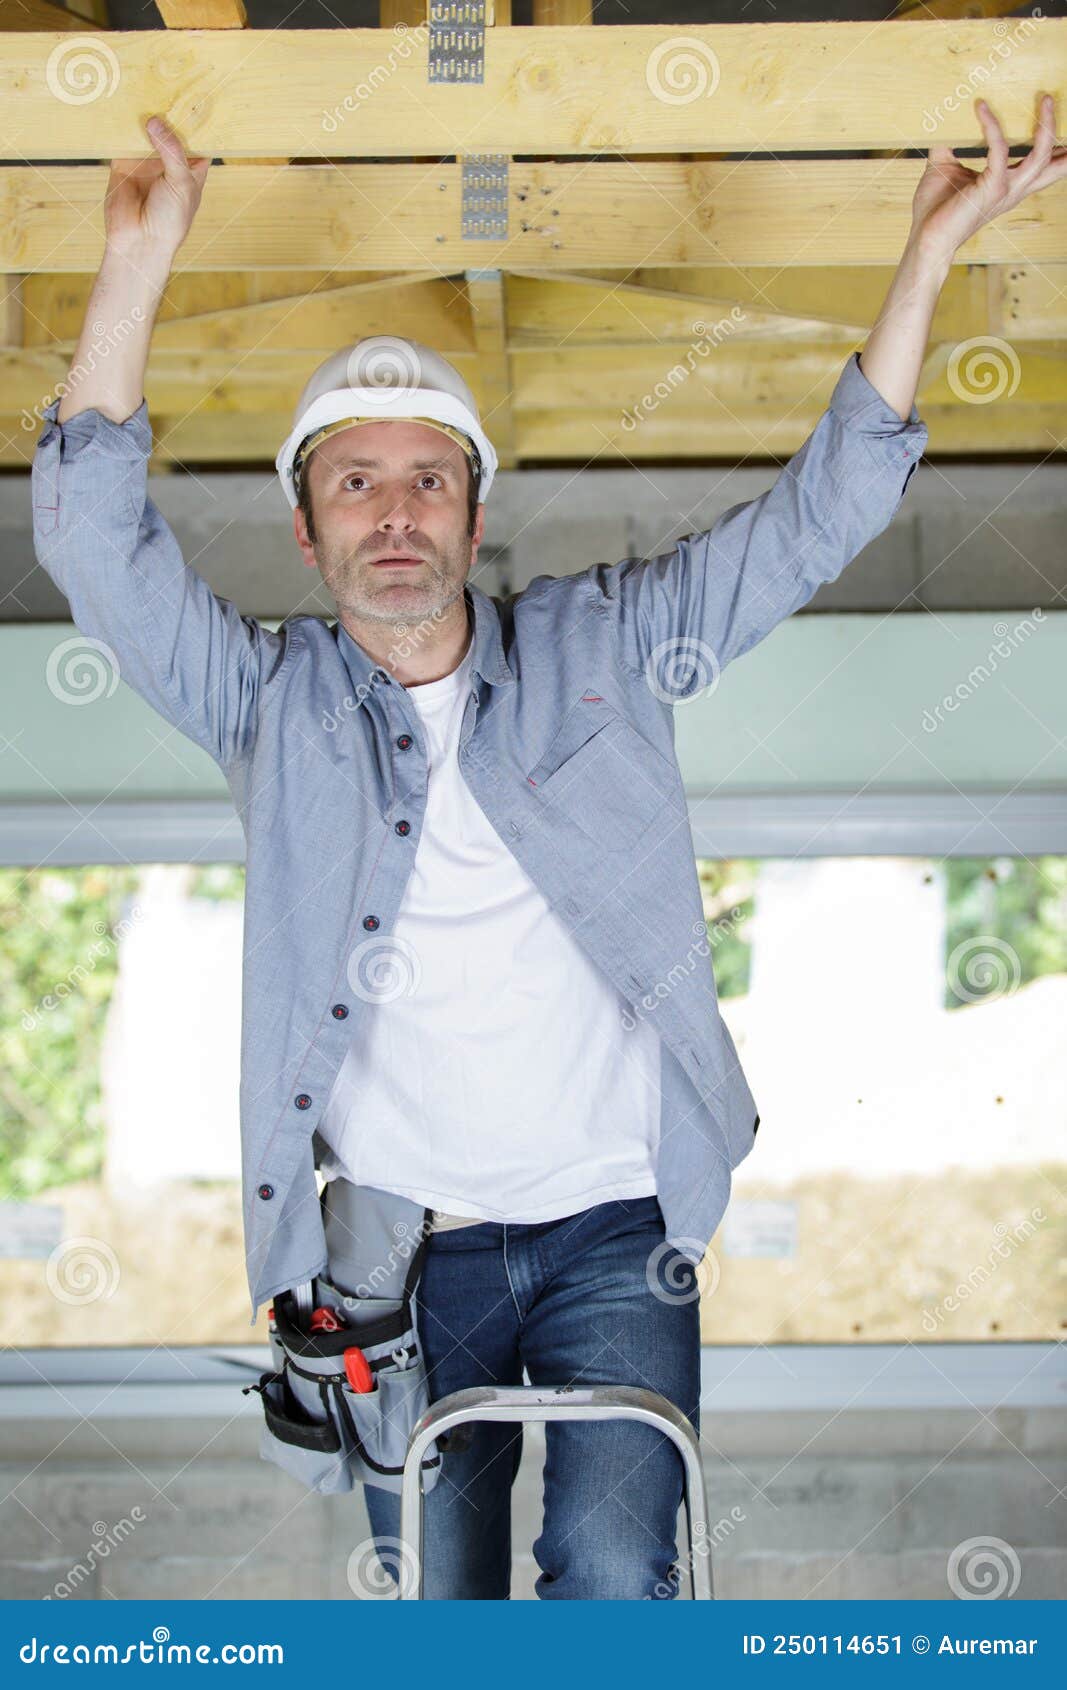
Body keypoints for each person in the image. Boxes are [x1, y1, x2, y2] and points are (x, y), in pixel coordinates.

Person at [30, 100, 1066, 1600]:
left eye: (429, 478)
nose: (397, 513)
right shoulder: (269, 706)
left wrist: (929, 253)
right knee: (438, 1615)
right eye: (356, 483)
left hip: (612, 1234)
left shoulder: (610, 647)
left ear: (475, 506)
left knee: (613, 1572)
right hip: (399, 1256)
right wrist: (136, 261)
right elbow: (91, 543)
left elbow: (819, 515)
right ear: (309, 534)